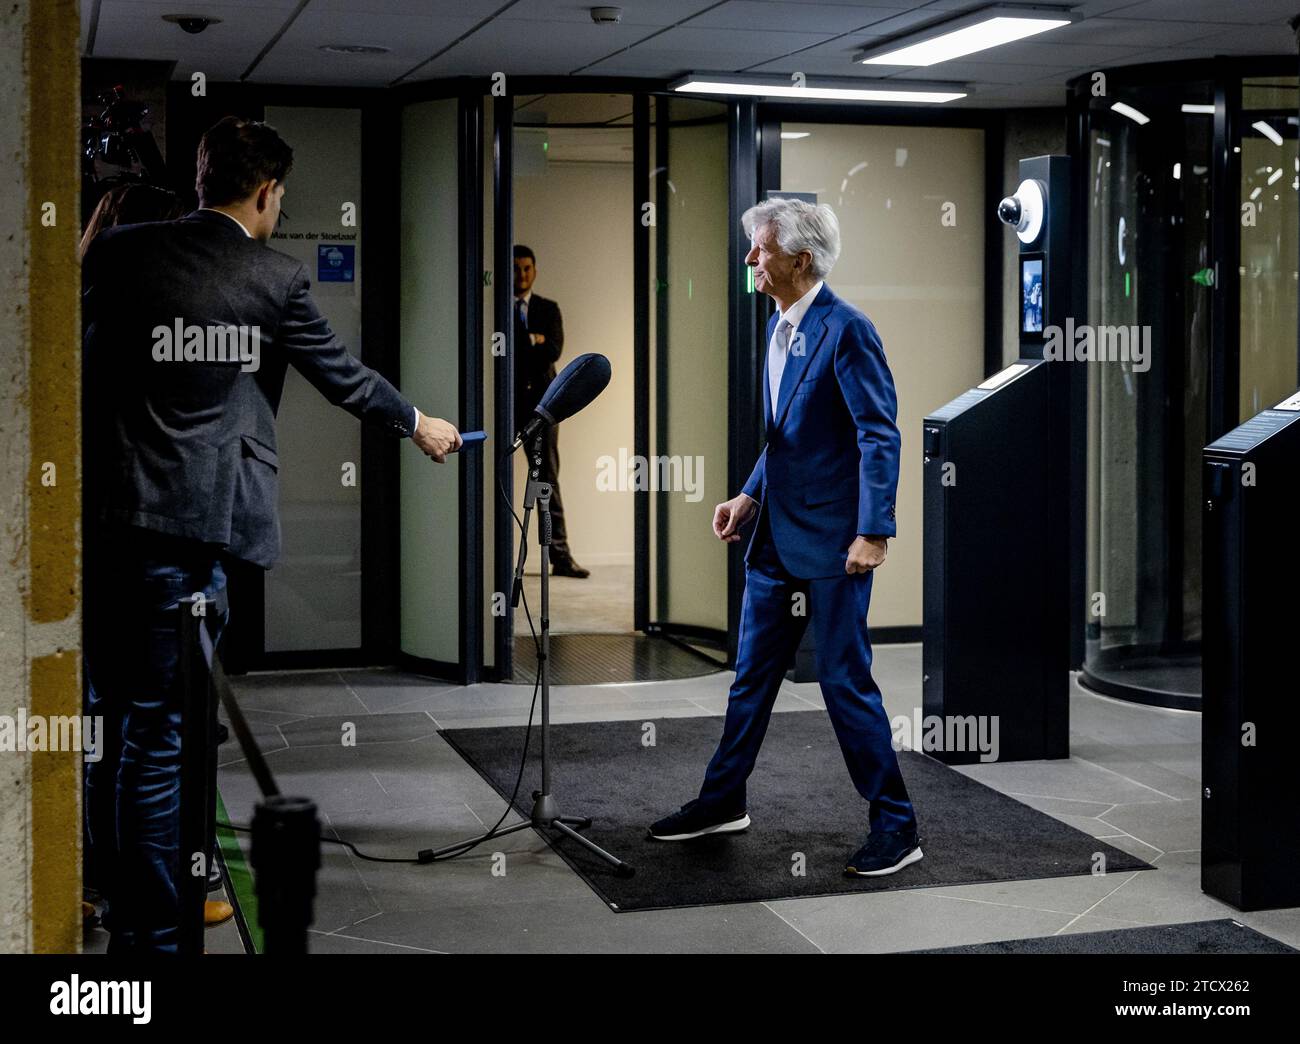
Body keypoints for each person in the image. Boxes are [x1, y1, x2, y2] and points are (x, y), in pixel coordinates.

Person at [81, 115, 460, 953]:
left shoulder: (118, 253)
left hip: (107, 529)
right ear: (266, 192)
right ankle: (150, 937)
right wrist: (420, 422)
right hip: (188, 538)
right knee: (158, 737)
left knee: (112, 724)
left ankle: (118, 899)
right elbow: (343, 378)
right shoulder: (271, 278)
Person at [648, 198, 922, 878]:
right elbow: (787, 437)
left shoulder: (847, 329)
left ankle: (897, 826)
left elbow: (879, 433)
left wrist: (874, 531)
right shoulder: (778, 328)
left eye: (761, 250)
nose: (750, 261)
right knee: (751, 679)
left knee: (843, 681)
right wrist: (748, 494)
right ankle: (721, 801)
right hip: (773, 536)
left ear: (801, 260)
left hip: (835, 544)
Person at [513, 245, 587, 578]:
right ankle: (497, 557)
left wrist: (531, 343)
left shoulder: (547, 308)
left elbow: (554, 350)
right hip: (504, 404)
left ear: (535, 271)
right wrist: (532, 341)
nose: (521, 275)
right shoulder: (495, 308)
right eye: (516, 268)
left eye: (527, 268)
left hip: (543, 408)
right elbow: (507, 349)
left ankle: (560, 555)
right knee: (490, 478)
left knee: (547, 480)